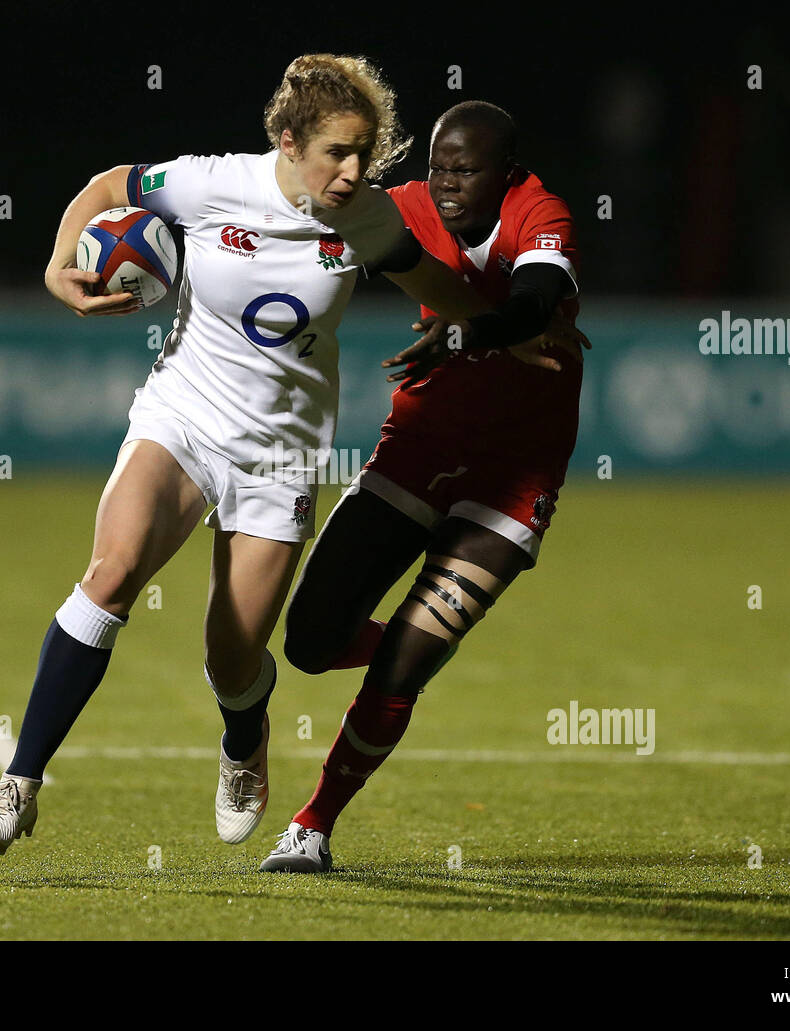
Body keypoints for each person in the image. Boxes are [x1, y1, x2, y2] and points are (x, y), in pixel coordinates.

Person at [0, 60, 568, 855]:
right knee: (110, 574)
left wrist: (512, 331)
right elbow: (111, 186)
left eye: (365, 155)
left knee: (233, 651)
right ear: (289, 143)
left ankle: (244, 739)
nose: (354, 172)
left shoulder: (369, 218)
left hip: (281, 454)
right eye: (338, 154)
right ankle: (18, 783)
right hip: (183, 416)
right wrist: (56, 262)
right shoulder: (213, 184)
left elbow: (431, 279)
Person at [260, 100, 589, 872]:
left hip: (514, 476)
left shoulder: (539, 212)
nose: (444, 184)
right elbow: (301, 224)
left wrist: (472, 327)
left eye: (465, 170)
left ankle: (311, 826)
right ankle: (407, 660)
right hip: (417, 448)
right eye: (438, 166)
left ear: (505, 172)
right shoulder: (404, 207)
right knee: (308, 641)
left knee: (404, 661)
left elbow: (536, 300)